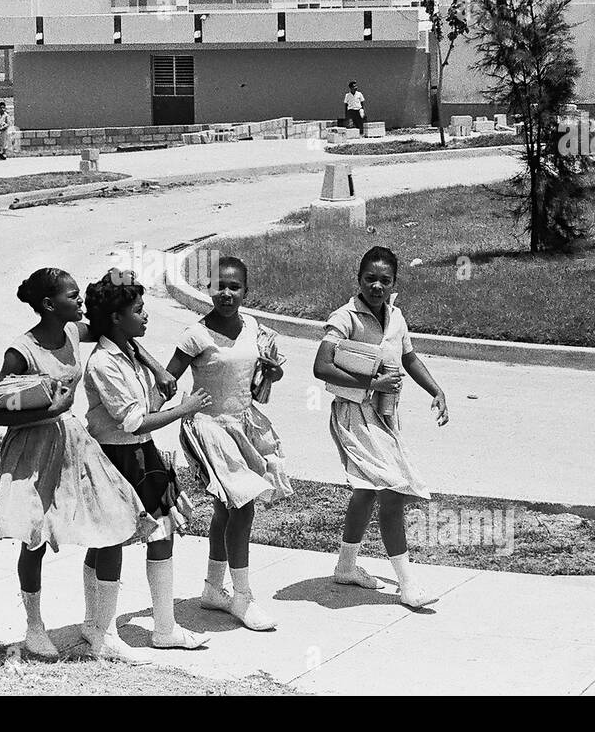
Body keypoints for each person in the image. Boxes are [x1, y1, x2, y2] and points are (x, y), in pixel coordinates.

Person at [0, 268, 157, 663]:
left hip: (74, 443)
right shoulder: (21, 351)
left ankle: (102, 631)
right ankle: (33, 628)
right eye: (73, 296)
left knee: (114, 520)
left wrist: (156, 367)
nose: (80, 303)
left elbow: (117, 332)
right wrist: (51, 408)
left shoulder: (74, 333)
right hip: (31, 448)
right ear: (49, 304)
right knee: (35, 537)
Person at [312, 246, 449, 609]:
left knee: (366, 492)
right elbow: (321, 366)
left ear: (394, 284)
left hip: (386, 416)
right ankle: (408, 586)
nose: (376, 286)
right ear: (358, 280)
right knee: (392, 492)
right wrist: (372, 386)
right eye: (370, 279)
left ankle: (345, 566)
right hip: (355, 416)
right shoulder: (345, 318)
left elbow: (408, 356)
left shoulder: (397, 317)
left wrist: (436, 390)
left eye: (384, 280)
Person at [83, 269, 213, 651]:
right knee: (108, 542)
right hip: (114, 458)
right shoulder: (103, 363)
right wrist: (184, 408)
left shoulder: (132, 355)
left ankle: (165, 628)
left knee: (161, 534)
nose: (145, 316)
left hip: (143, 454)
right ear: (116, 318)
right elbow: (132, 421)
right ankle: (101, 631)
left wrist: (161, 389)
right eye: (138, 310)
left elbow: (145, 410)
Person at [166, 256, 293, 632]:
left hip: (245, 424)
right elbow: (167, 379)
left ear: (245, 292)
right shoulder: (196, 334)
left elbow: (267, 375)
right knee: (243, 505)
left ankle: (211, 588)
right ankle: (242, 596)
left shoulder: (254, 327)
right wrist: (150, 411)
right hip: (209, 426)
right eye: (219, 285)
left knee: (228, 507)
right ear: (208, 290)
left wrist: (274, 372)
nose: (225, 292)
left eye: (234, 287)